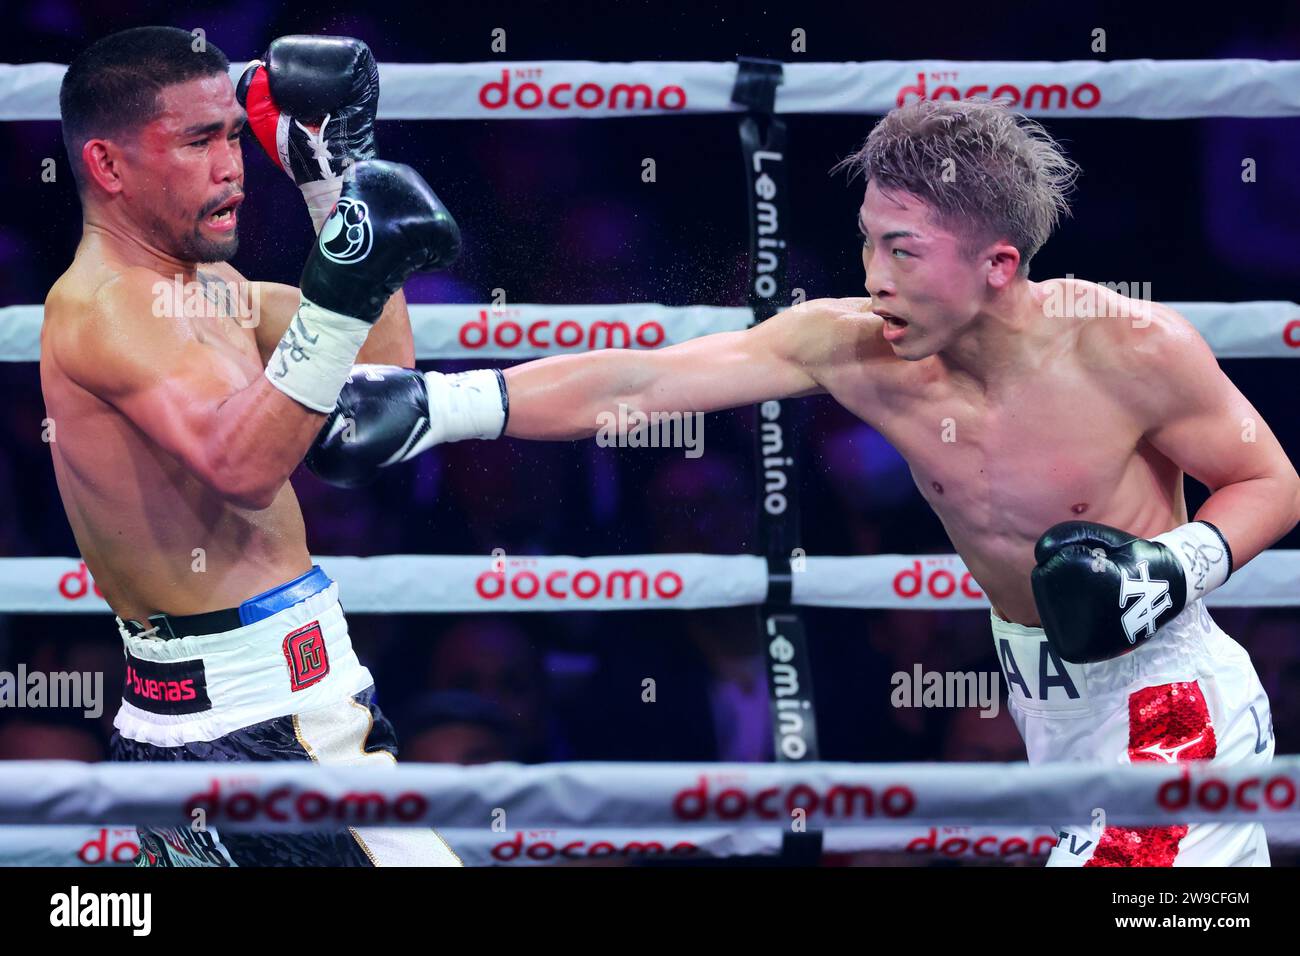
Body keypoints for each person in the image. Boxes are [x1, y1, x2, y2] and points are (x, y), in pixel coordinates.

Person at [309, 98, 1300, 866]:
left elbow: (1269, 479)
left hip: (1170, 703)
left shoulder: (1127, 348)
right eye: (869, 239)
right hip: (1053, 716)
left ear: (998, 264)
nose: (873, 273)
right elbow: (650, 378)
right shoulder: (859, 345)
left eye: (902, 250)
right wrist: (453, 405)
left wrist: (1171, 564)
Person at [43, 26, 467, 866]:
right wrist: (342, 288)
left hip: (226, 714)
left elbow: (381, 375)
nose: (232, 166)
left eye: (235, 135)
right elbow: (241, 466)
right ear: (108, 166)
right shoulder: (107, 305)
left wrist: (334, 189)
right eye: (198, 141)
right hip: (256, 725)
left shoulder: (206, 286)